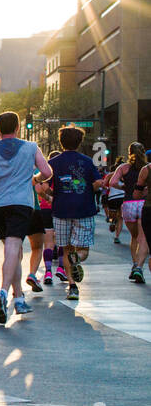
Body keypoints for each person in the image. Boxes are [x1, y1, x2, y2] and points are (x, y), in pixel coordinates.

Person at [0, 111, 53, 325]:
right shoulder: (30, 147)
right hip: (19, 203)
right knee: (13, 248)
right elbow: (47, 172)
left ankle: (18, 298)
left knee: (14, 250)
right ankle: (2, 291)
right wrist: (34, 178)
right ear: (17, 127)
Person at [48, 127, 102, 302]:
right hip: (84, 210)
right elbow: (98, 183)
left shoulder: (54, 162)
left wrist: (50, 197)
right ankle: (77, 258)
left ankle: (72, 286)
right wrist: (87, 190)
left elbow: (43, 186)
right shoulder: (87, 161)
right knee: (82, 249)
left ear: (61, 142)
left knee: (66, 249)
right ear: (80, 142)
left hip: (61, 210)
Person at [108, 143, 147, 282]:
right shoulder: (147, 167)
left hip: (128, 204)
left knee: (134, 237)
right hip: (143, 203)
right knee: (143, 238)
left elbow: (112, 182)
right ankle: (139, 268)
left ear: (129, 152)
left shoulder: (123, 167)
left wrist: (123, 187)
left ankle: (135, 264)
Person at [25, 156, 57, 290]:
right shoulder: (35, 171)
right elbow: (39, 189)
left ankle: (13, 286)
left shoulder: (12, 170)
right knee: (37, 248)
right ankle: (32, 274)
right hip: (33, 209)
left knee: (14, 248)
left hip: (14, 210)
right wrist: (48, 197)